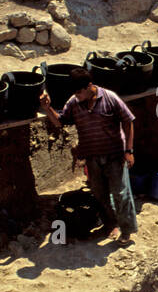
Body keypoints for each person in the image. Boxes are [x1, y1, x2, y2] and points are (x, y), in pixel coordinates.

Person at [41, 68, 138, 245]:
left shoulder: (110, 98)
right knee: (99, 194)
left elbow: (128, 121)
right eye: (74, 92)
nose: (77, 95)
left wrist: (129, 151)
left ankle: (126, 230)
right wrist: (47, 109)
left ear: (89, 86)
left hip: (115, 155)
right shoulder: (74, 102)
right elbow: (60, 121)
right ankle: (111, 222)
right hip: (92, 157)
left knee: (120, 193)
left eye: (79, 92)